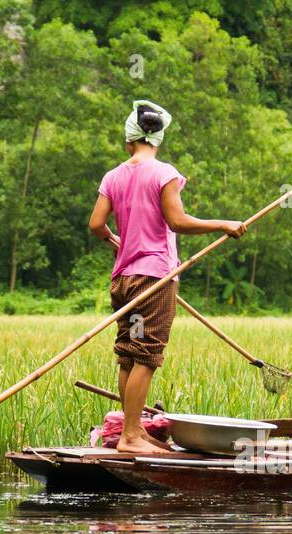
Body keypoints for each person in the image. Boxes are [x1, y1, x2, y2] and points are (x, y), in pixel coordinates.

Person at [88, 100, 246, 454]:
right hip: (155, 278)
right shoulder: (164, 173)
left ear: (130, 141)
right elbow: (177, 221)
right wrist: (223, 223)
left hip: (124, 279)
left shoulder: (112, 176)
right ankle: (130, 437)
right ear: (157, 140)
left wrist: (116, 241)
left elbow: (96, 224)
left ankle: (133, 431)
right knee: (146, 355)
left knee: (129, 354)